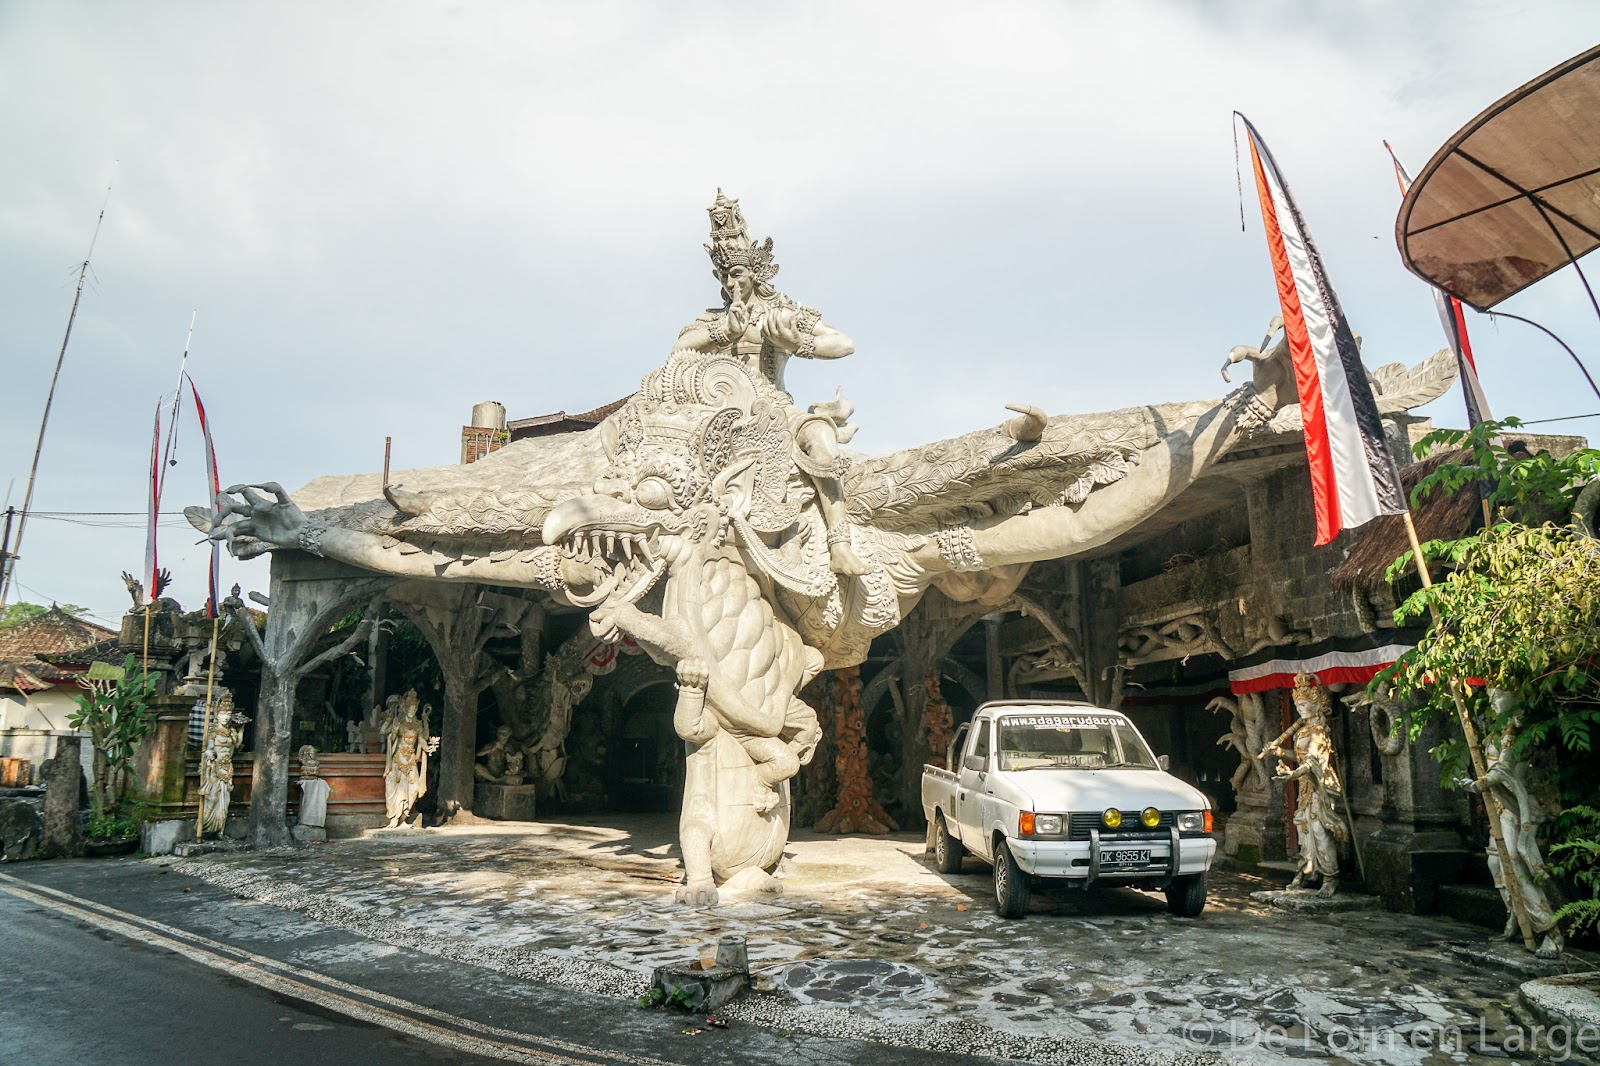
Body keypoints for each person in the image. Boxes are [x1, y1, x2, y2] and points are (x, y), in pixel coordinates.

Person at [675, 190, 867, 576]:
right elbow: (679, 350)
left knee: (820, 441)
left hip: (777, 410)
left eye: (738, 273)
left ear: (755, 273)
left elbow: (844, 343)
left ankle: (840, 542)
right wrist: (720, 333)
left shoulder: (781, 313)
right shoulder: (713, 319)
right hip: (721, 418)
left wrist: (799, 343)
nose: (732, 281)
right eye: (726, 274)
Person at [1462, 689, 1564, 957]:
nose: (1494, 699)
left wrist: (1480, 783)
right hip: (1501, 807)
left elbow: (1504, 768)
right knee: (1495, 863)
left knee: (1516, 868)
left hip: (1518, 808)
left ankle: (1551, 931)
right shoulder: (1495, 734)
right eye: (1492, 695)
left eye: (1500, 695)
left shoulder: (1518, 734)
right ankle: (1517, 917)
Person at [1260, 673, 1349, 896]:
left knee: (1319, 830)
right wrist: (1279, 751)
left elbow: (1311, 762)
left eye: (1303, 705)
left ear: (1315, 705)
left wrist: (1291, 775)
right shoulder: (1302, 731)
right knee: (1304, 828)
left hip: (1319, 784)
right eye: (1297, 705)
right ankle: (1307, 870)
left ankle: (1330, 876)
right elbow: (1299, 757)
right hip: (1305, 784)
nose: (1299, 709)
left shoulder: (1319, 732)